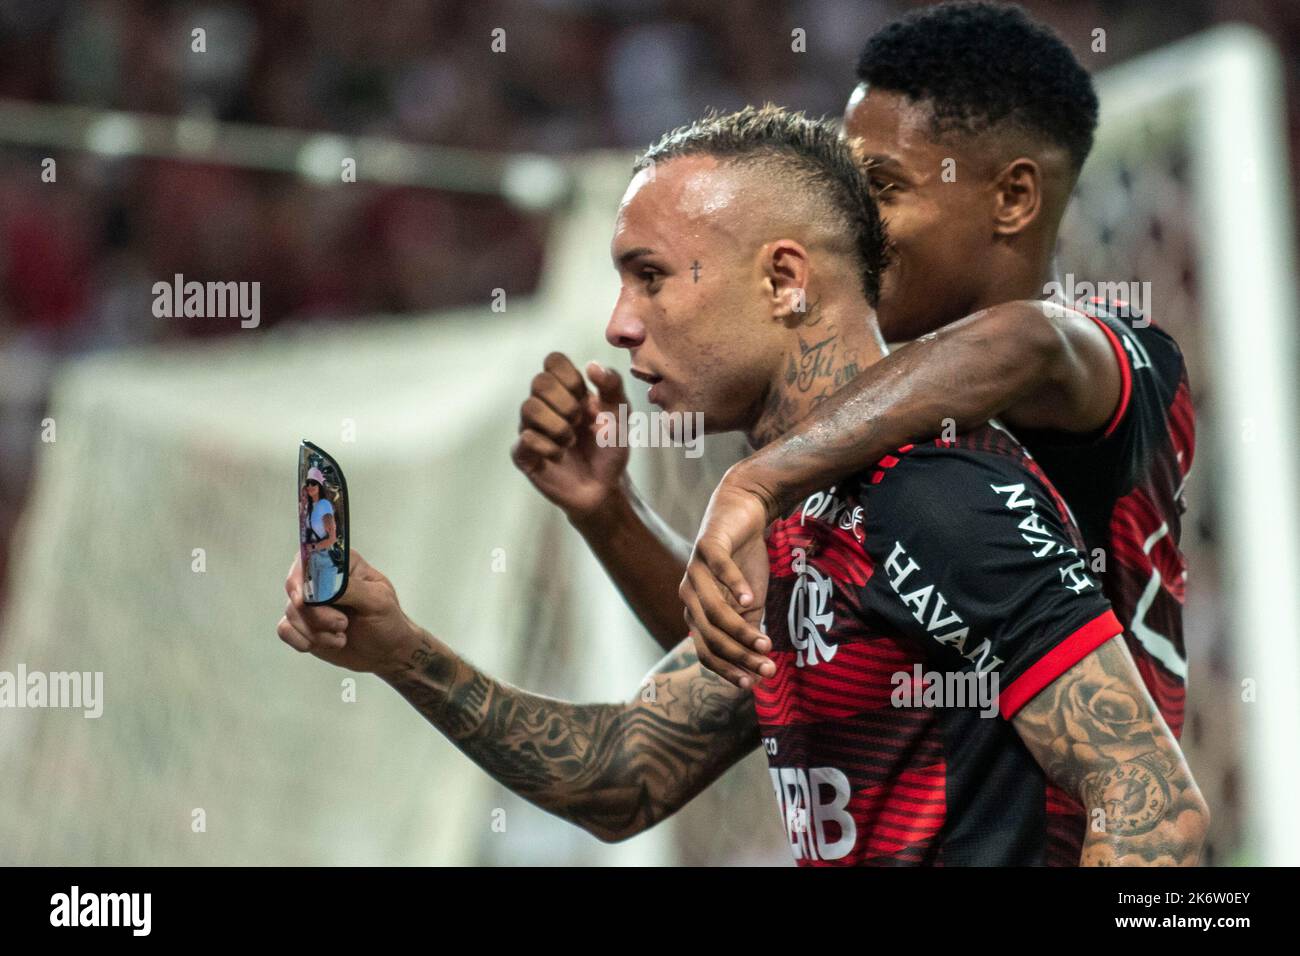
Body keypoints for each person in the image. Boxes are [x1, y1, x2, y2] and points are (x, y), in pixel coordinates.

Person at [278, 105, 1207, 865]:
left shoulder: (932, 495)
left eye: (650, 279)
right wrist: (399, 649)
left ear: (786, 282)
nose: (619, 324)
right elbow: (623, 774)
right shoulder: (803, 525)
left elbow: (1154, 807)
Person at [301, 467, 340, 601]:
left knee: (323, 602)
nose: (310, 486)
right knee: (317, 601)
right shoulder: (310, 506)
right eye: (308, 483)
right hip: (314, 560)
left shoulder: (324, 505)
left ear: (319, 485)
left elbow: (332, 538)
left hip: (325, 558)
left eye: (314, 482)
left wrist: (313, 547)